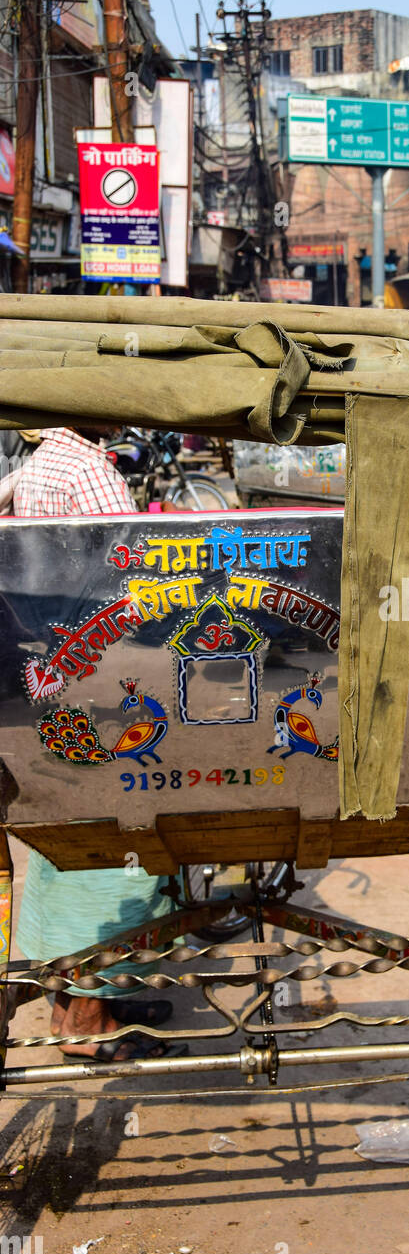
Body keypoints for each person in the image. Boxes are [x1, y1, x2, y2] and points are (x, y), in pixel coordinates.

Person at [12, 424, 183, 1062]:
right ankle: (87, 1022)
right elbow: (137, 575)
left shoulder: (42, 463)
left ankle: (91, 1000)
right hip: (94, 665)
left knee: (72, 830)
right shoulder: (86, 469)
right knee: (118, 840)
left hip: (56, 666)